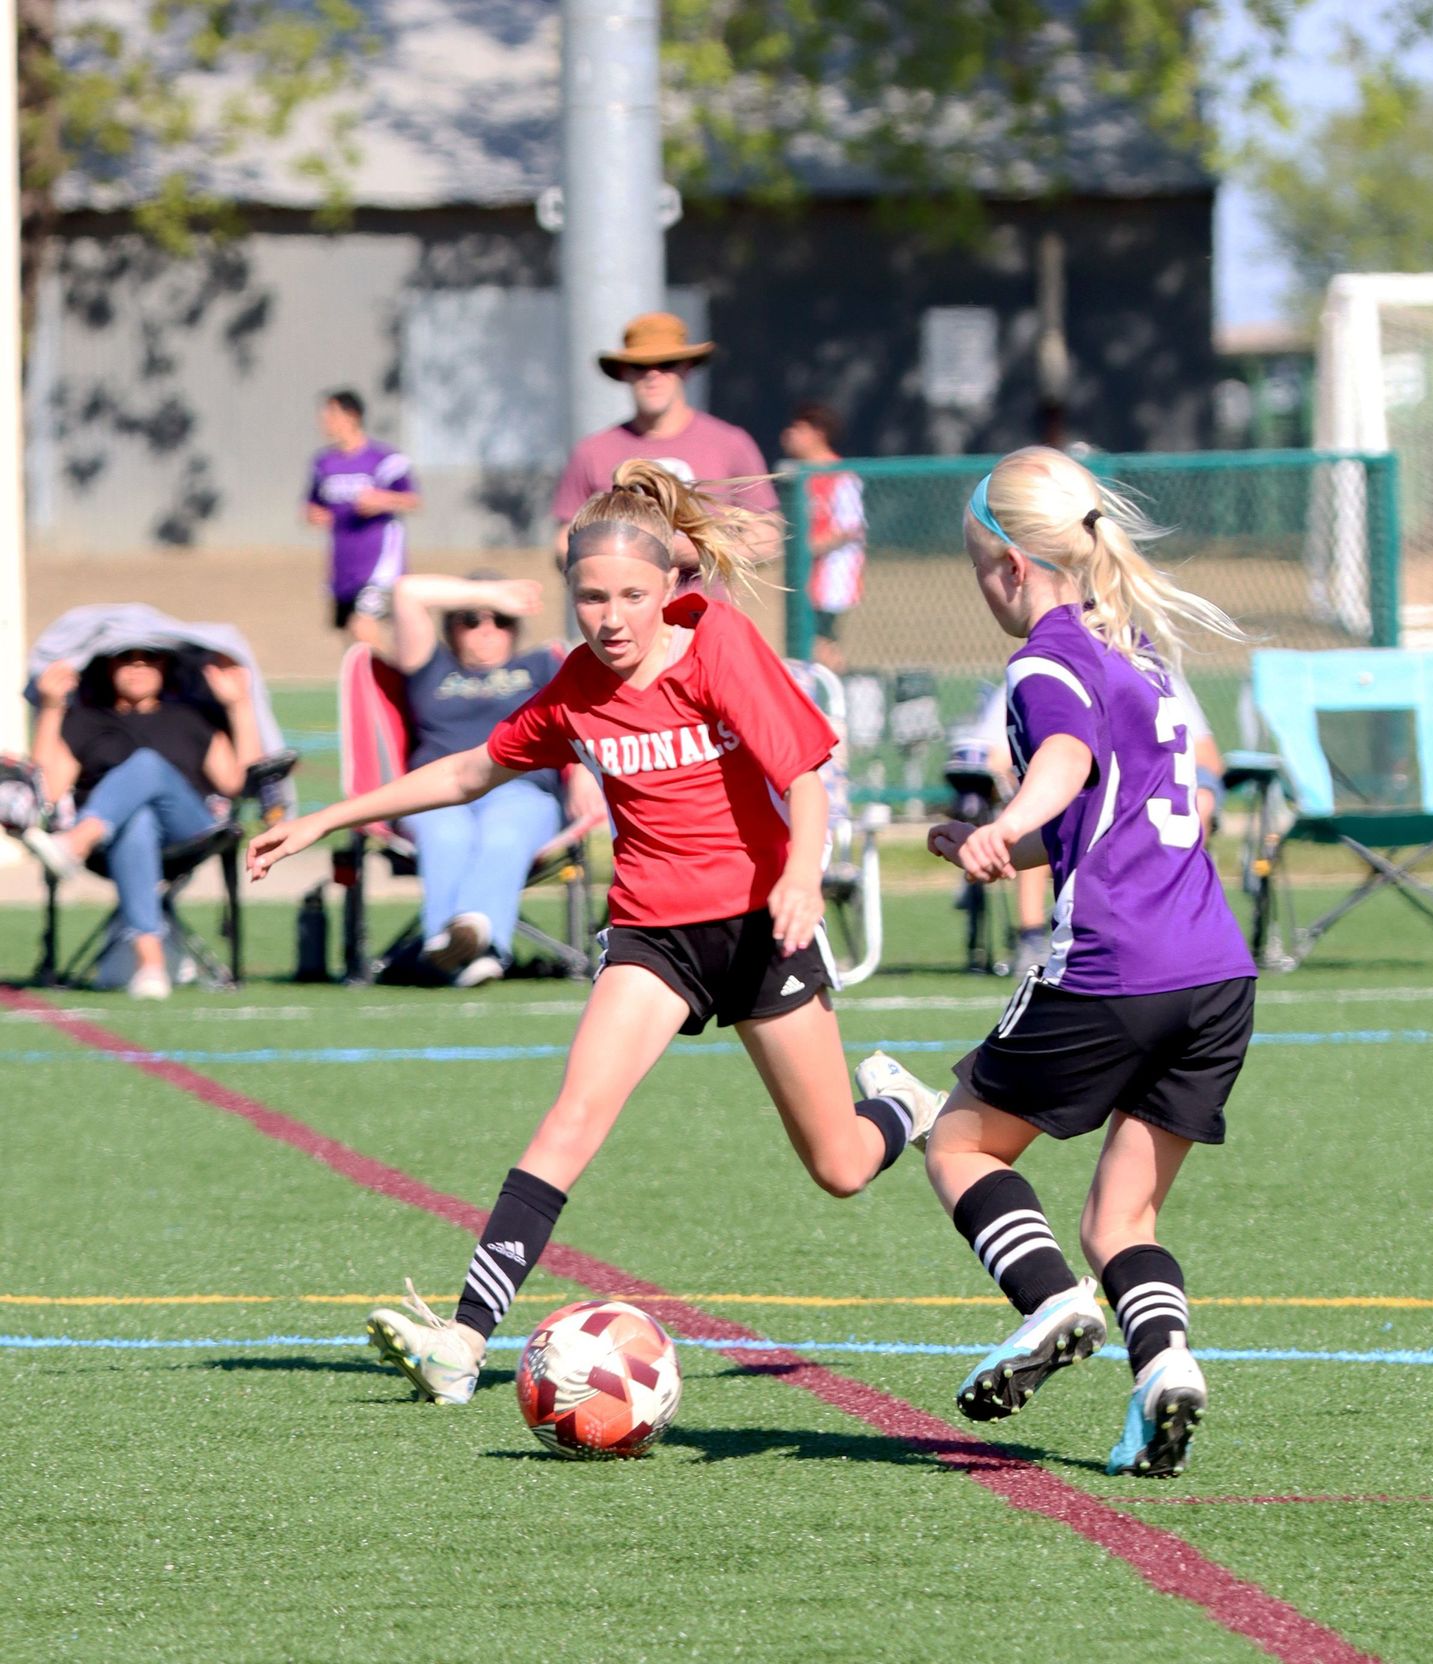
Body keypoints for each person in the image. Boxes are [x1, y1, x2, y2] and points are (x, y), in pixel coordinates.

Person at [249, 460, 942, 1404]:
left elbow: (808, 777)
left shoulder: (718, 649)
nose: (610, 616)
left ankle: (900, 1105)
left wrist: (800, 878)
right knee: (571, 1119)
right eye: (589, 596)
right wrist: (327, 818)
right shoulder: (575, 686)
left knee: (843, 1166)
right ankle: (462, 1340)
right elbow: (465, 775)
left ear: (669, 591)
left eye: (630, 596)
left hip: (758, 928)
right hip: (653, 936)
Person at [917, 445, 1256, 1478]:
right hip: (1215, 970)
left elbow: (1062, 763)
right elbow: (1120, 805)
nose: (982, 589)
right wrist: (994, 842)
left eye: (980, 567)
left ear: (1014, 566)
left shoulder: (1046, 657)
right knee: (1123, 1214)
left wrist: (1009, 815)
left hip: (1115, 963)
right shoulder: (1139, 648)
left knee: (960, 1144)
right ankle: (1165, 1369)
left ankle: (1050, 1300)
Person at [387, 569, 593, 985]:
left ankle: (465, 946)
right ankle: (473, 951)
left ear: (515, 630)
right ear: (451, 627)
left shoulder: (541, 666)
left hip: (519, 788)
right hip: (437, 792)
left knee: (505, 832)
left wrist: (587, 773)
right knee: (447, 835)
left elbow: (584, 723)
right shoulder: (431, 668)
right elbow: (406, 592)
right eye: (471, 619)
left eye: (500, 620)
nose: (486, 630)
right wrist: (492, 594)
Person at [24, 646, 263, 999]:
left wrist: (239, 704)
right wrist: (50, 707)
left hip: (188, 831)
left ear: (166, 665)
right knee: (138, 820)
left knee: (147, 764)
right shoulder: (87, 721)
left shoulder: (189, 718)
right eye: (125, 658)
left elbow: (240, 782)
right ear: (108, 666)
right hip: (115, 840)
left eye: (150, 658)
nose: (138, 667)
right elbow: (47, 788)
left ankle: (75, 842)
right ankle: (150, 967)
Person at [977, 665, 1226, 977]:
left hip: (1143, 801)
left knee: (1198, 800)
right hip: (1076, 800)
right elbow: (994, 759)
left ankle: (1174, 920)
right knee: (1040, 808)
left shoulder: (1158, 673)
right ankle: (1032, 935)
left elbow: (1208, 757)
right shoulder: (1038, 670)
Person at [551, 313, 782, 584]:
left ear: (687, 368)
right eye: (639, 365)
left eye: (667, 364)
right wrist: (618, 559)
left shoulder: (730, 443)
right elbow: (563, 544)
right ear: (624, 371)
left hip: (708, 619)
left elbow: (769, 536)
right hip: (623, 622)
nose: (653, 375)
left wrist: (698, 552)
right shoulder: (592, 452)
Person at [304, 390, 422, 645]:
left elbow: (413, 500)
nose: (324, 420)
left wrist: (383, 500)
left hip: (379, 564)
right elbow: (312, 505)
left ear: (352, 416)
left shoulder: (385, 459)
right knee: (351, 640)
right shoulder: (323, 463)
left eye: (331, 414)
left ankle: (379, 684)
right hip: (344, 566)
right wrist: (315, 515)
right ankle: (371, 682)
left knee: (364, 628)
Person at [780, 402, 865, 673]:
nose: (789, 435)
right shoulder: (799, 474)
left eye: (799, 429)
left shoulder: (840, 474)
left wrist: (804, 549)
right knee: (811, 643)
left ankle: (844, 689)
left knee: (818, 643)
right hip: (804, 576)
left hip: (829, 578)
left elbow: (850, 527)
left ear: (818, 433)